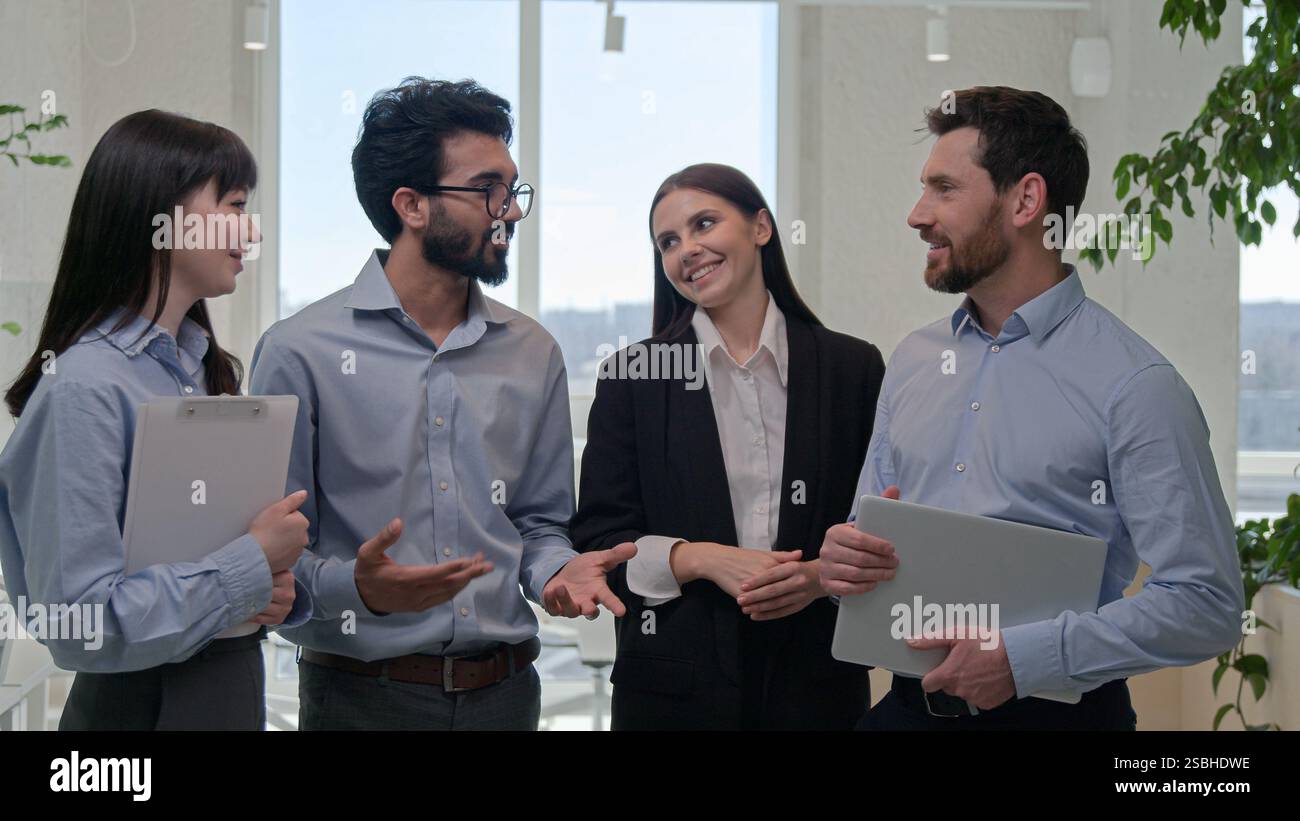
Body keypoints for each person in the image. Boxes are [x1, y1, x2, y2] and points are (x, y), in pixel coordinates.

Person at [819, 86, 1245, 730]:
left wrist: (1024, 659)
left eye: (944, 189)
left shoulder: (1138, 385)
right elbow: (867, 526)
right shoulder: (912, 359)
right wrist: (845, 558)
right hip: (904, 711)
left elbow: (1206, 603)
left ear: (1025, 200)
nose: (916, 214)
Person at [249, 77, 634, 731]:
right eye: (488, 190)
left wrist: (557, 574)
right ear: (412, 205)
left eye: (513, 191)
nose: (509, 211)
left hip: (507, 695)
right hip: (359, 700)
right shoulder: (298, 351)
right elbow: (271, 555)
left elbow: (538, 524)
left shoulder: (533, 351)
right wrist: (360, 588)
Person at [0, 109, 310, 730]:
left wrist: (267, 591)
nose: (250, 231)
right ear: (160, 213)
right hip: (140, 710)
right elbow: (80, 624)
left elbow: (194, 562)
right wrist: (249, 565)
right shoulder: (84, 387)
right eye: (234, 202)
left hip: (222, 687)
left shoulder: (199, 371)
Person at [569, 163, 887, 729]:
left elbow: (879, 528)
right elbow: (599, 540)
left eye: (704, 224)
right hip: (671, 696)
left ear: (760, 227)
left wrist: (815, 578)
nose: (686, 250)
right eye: (668, 242)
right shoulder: (633, 376)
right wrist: (700, 558)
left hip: (816, 691)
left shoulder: (852, 368)